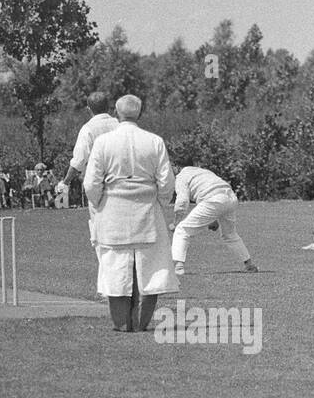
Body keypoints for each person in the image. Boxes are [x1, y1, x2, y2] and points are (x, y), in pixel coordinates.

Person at [83, 94, 178, 332]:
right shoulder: (154, 141)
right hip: (147, 210)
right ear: (140, 114)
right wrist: (160, 201)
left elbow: (91, 183)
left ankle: (123, 324)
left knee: (115, 268)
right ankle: (142, 324)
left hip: (113, 211)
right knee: (152, 268)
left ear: (116, 113)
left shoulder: (103, 142)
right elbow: (167, 182)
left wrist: (99, 204)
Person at [170, 164, 258, 276]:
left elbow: (182, 202)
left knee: (182, 229)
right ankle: (249, 265)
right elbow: (207, 191)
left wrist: (176, 223)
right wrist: (213, 220)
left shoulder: (180, 178)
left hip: (214, 200)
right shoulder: (199, 171)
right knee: (230, 234)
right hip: (230, 198)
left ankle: (178, 266)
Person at [63, 91, 120, 252]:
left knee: (100, 232)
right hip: (123, 182)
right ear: (108, 107)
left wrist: (65, 182)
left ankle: (107, 270)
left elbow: (79, 161)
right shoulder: (119, 124)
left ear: (89, 109)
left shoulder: (88, 128)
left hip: (99, 184)